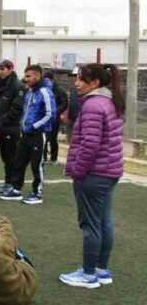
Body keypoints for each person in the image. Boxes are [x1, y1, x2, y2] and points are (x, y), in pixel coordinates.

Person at [59, 63, 125, 289]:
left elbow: (90, 145)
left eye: (80, 79)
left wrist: (78, 172)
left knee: (90, 225)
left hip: (95, 174)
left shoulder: (93, 106)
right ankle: (101, 270)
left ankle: (88, 275)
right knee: (104, 223)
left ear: (95, 83)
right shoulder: (109, 101)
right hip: (109, 172)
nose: (76, 83)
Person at [0, 65, 55, 205]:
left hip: (38, 134)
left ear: (38, 76)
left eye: (29, 76)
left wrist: (34, 126)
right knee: (18, 161)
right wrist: (22, 127)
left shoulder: (45, 92)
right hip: (25, 134)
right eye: (26, 76)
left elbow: (51, 114)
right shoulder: (29, 91)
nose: (26, 79)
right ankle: (16, 189)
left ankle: (37, 193)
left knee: (37, 164)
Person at [0, 60, 25, 193]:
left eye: (3, 69)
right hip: (1, 128)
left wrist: (1, 121)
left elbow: (16, 108)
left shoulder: (17, 86)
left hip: (11, 128)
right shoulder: (2, 85)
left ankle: (13, 184)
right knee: (5, 156)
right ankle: (8, 181)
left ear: (10, 69)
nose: (0, 71)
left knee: (12, 157)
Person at [42, 71, 69, 164]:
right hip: (43, 118)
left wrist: (55, 112)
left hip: (54, 118)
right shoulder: (42, 89)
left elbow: (64, 103)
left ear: (52, 80)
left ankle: (54, 157)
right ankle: (44, 157)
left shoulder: (59, 91)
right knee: (44, 137)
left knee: (53, 138)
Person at [65, 67, 81, 144]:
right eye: (73, 76)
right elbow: (71, 103)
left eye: (76, 76)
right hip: (71, 119)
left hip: (80, 119)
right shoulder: (73, 88)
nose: (74, 78)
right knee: (71, 142)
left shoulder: (85, 88)